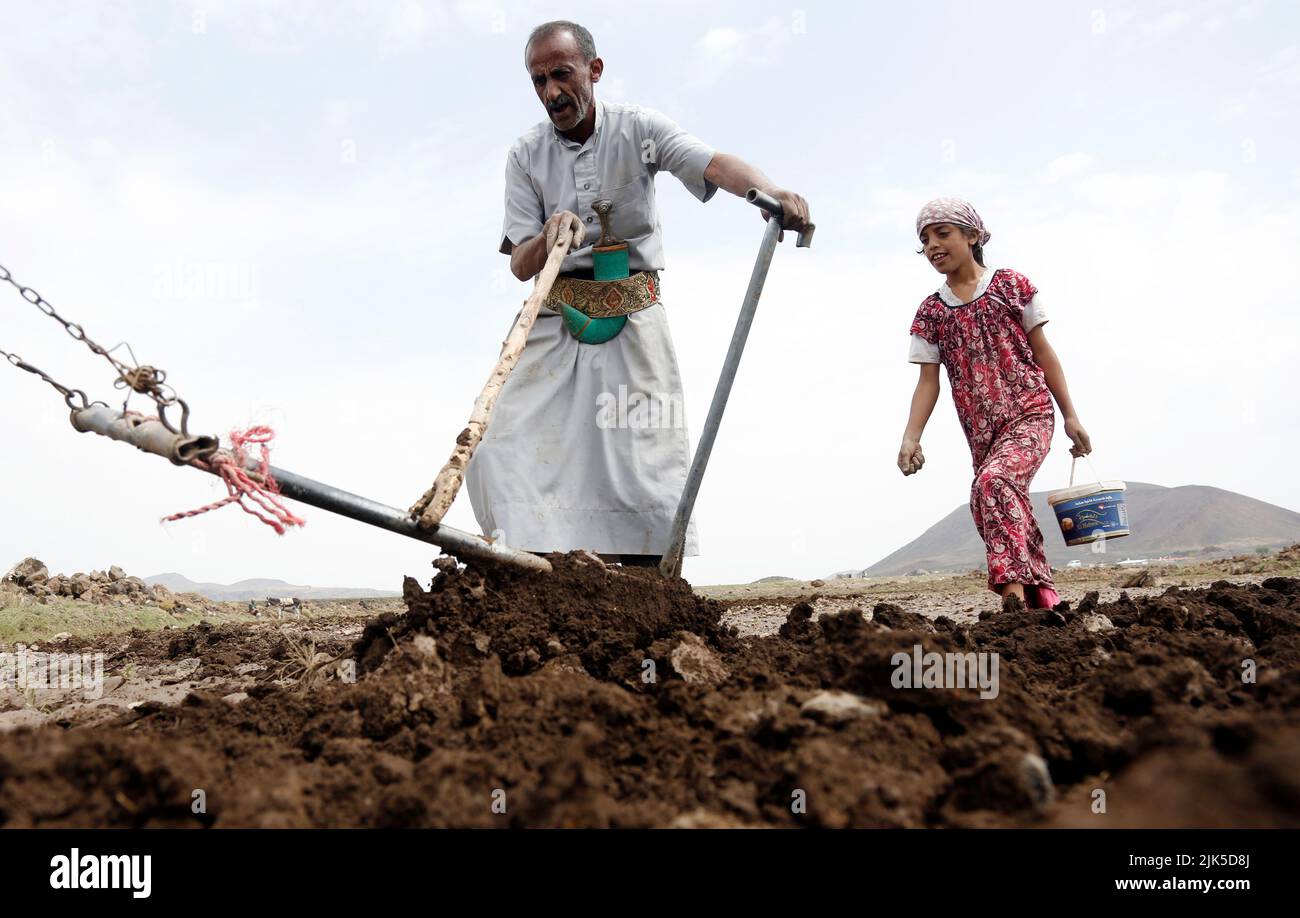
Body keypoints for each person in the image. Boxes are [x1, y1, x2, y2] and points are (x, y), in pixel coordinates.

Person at [465, 20, 811, 566]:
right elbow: (518, 262)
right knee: (502, 447)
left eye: (562, 75)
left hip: (633, 314)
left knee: (642, 457)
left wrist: (769, 191)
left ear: (594, 71)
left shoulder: (637, 129)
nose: (551, 92)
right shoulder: (525, 155)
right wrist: (548, 235)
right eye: (539, 81)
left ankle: (649, 591)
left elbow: (713, 164)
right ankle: (531, 576)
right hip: (555, 318)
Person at [898, 198, 1090, 610]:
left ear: (972, 236)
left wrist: (1071, 415)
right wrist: (911, 437)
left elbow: (1044, 353)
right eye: (925, 240)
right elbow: (927, 382)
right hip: (982, 434)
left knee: (993, 484)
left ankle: (1014, 599)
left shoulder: (1011, 286)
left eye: (942, 234)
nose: (933, 246)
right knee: (990, 498)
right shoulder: (931, 313)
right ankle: (1045, 599)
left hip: (1030, 412)